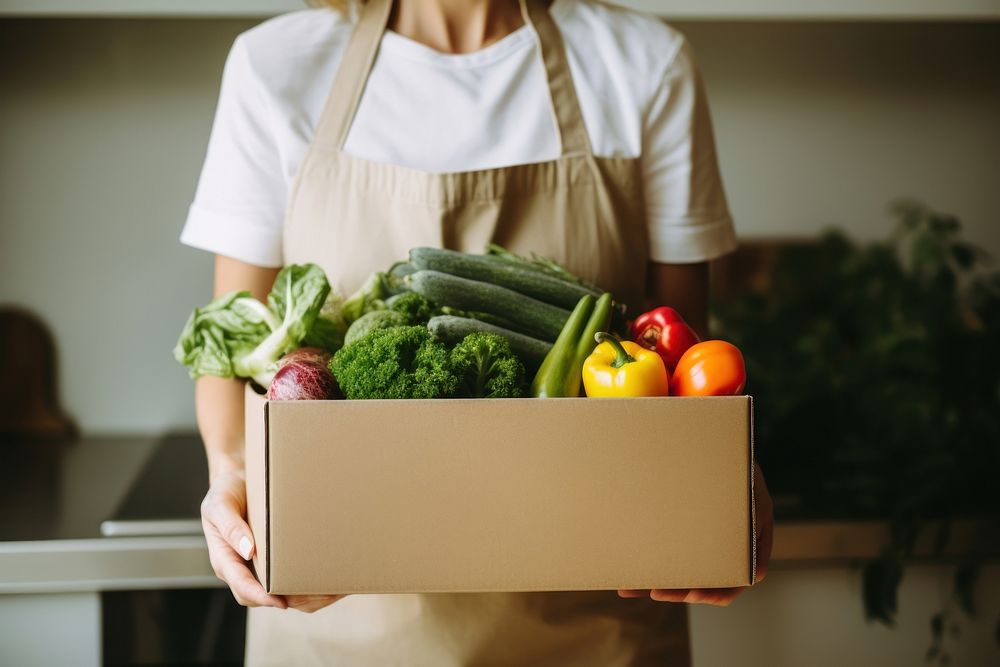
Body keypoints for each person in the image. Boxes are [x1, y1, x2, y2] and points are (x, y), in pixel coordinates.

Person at [181, 0, 774, 663]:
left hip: (598, 623)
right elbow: (231, 343)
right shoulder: (277, 66)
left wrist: (722, 475)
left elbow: (685, 361)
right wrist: (235, 477)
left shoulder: (644, 66)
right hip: (338, 622)